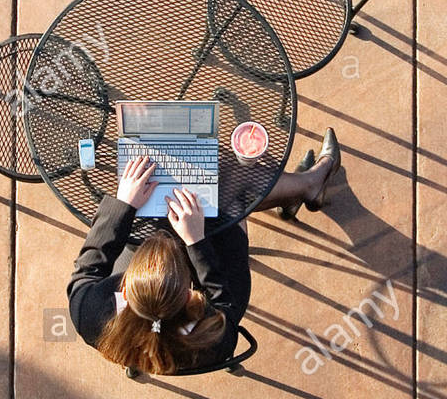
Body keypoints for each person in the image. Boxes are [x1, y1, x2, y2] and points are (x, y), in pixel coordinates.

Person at [68, 128, 342, 375]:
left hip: (148, 329)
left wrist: (124, 204)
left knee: (157, 213)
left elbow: (87, 268)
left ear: (126, 288)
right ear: (190, 294)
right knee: (232, 183)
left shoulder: (87, 314)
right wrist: (195, 241)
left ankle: (297, 192)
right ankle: (309, 186)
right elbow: (226, 302)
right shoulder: (212, 340)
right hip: (222, 283)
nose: (171, 241)